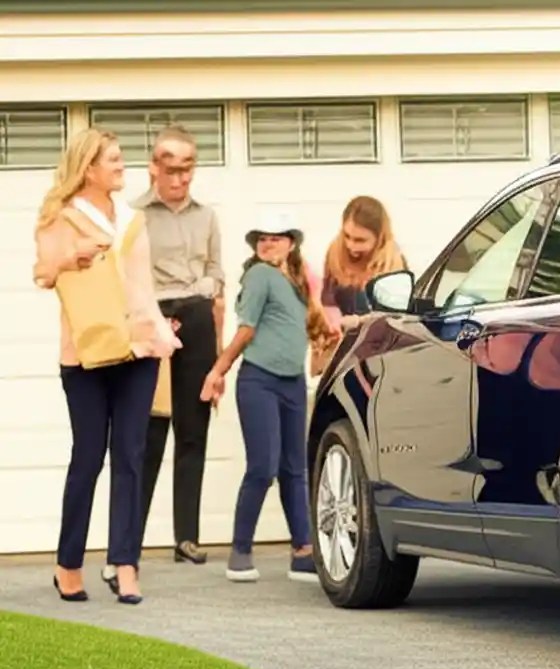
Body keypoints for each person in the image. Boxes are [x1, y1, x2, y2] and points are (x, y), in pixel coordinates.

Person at [32, 127, 181, 605]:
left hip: (138, 350)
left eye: (121, 159)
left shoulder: (134, 219)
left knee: (131, 458)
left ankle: (125, 563)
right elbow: (43, 272)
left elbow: (142, 285)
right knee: (88, 457)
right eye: (113, 159)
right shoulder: (63, 217)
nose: (121, 166)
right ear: (89, 168)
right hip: (86, 355)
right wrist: (71, 259)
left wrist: (160, 329)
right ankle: (68, 563)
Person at [199, 209, 335, 583]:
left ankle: (303, 552)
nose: (268, 243)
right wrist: (218, 370)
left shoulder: (295, 282)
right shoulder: (258, 275)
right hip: (259, 381)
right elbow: (246, 330)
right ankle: (240, 551)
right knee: (263, 466)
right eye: (262, 238)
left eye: (275, 238)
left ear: (290, 243)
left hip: (291, 383)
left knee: (295, 469)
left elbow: (310, 325)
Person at [134, 125, 224, 568]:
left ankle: (186, 537)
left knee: (193, 431)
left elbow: (216, 273)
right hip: (154, 320)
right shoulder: (135, 215)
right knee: (149, 433)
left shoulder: (206, 216)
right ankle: (128, 537)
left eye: (188, 170)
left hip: (197, 316)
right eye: (172, 170)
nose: (180, 179)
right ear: (154, 168)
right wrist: (154, 317)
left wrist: (204, 295)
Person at [321, 195, 408, 329]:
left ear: (379, 238)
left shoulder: (394, 264)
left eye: (360, 240)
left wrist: (359, 321)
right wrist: (334, 323)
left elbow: (396, 318)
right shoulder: (335, 253)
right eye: (347, 236)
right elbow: (328, 301)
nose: (351, 245)